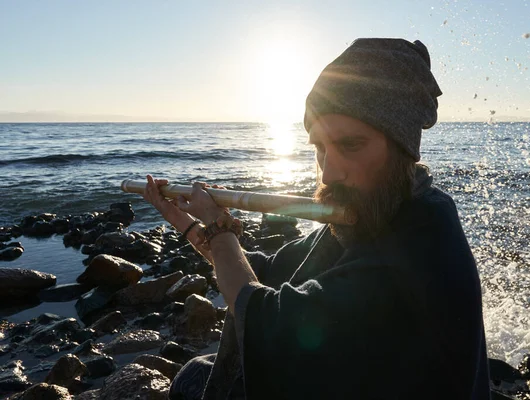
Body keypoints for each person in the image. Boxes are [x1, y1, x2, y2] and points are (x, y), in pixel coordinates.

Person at [144, 38, 491, 400]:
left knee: (192, 383)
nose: (328, 174)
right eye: (319, 148)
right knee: (198, 374)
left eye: (350, 145)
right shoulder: (382, 211)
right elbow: (267, 269)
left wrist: (219, 228)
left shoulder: (417, 247)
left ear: (402, 145)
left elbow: (265, 318)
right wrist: (187, 223)